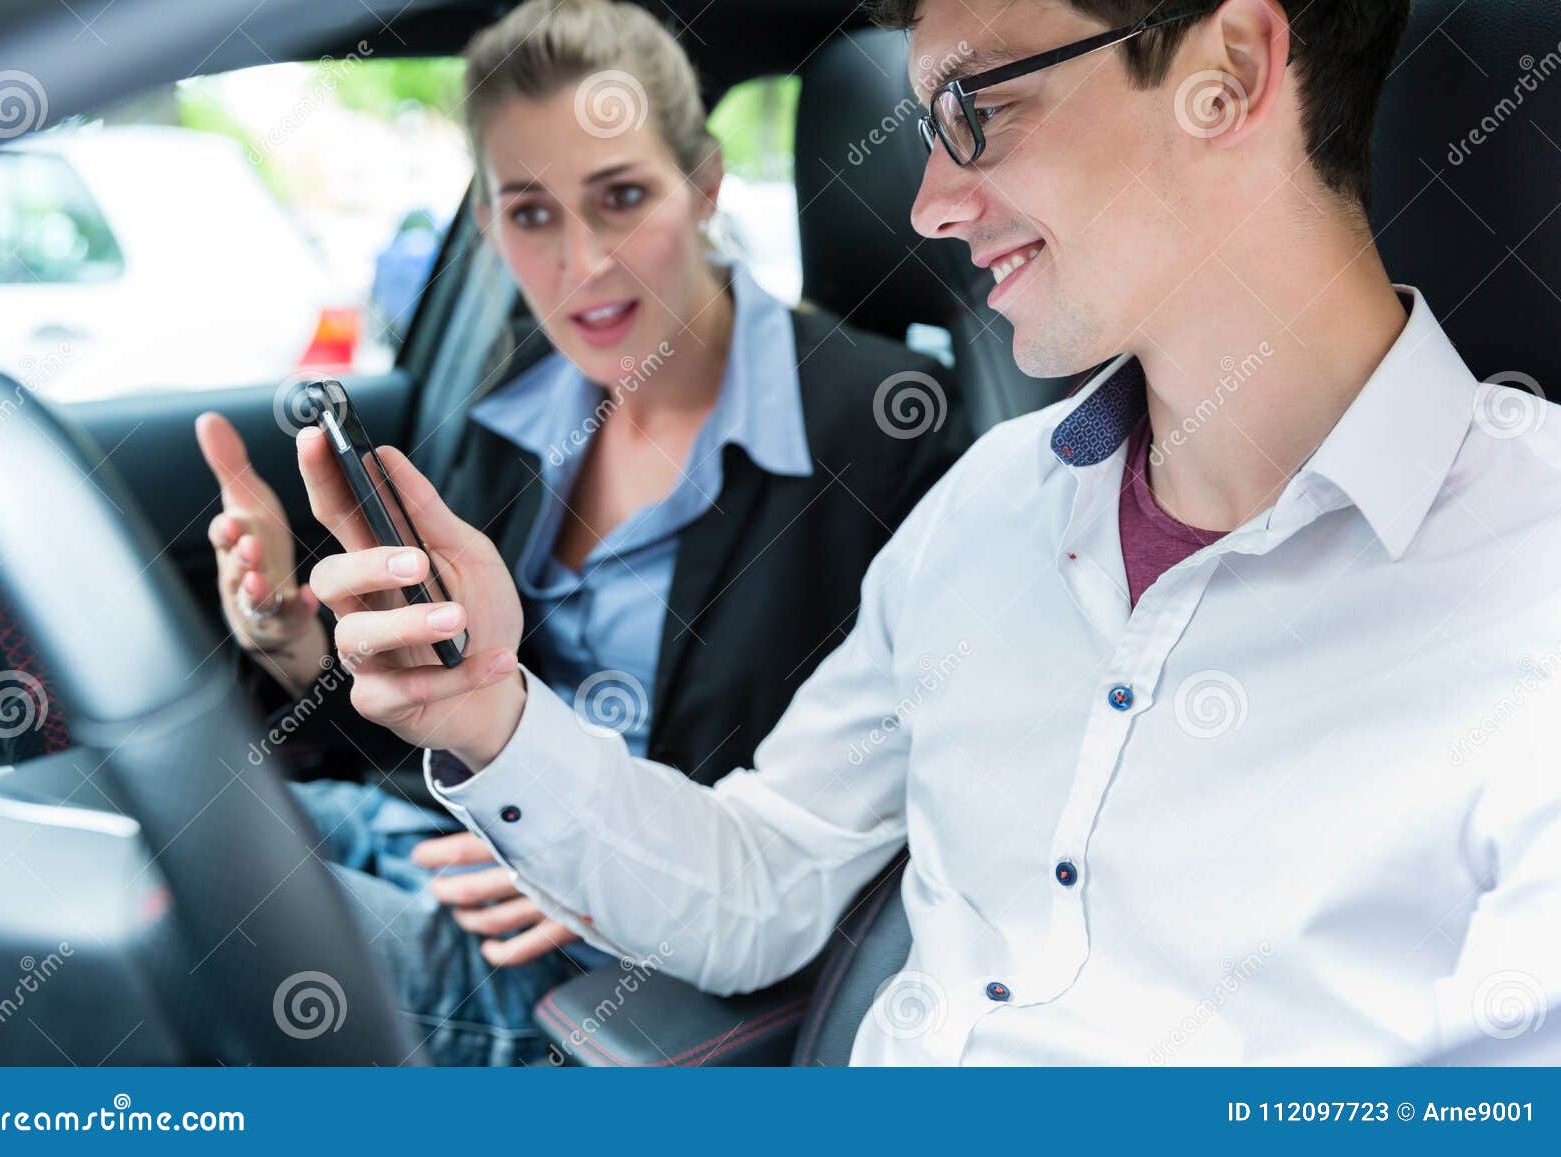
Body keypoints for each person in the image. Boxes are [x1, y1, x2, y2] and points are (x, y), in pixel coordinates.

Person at [295, 0, 1561, 1065]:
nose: (929, 207)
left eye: (979, 108)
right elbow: (766, 880)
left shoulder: (1529, 584)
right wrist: (488, 712)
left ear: (1224, 76)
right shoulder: (990, 502)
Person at [194, 0, 965, 1065]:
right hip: (446, 850)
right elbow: (456, 709)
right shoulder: (517, 394)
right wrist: (292, 638)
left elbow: (856, 810)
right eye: (531, 213)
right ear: (487, 225)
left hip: (609, 965)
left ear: (704, 187)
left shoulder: (886, 428)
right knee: (124, 825)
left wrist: (601, 865)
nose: (584, 263)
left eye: (621, 197)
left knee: (154, 925)